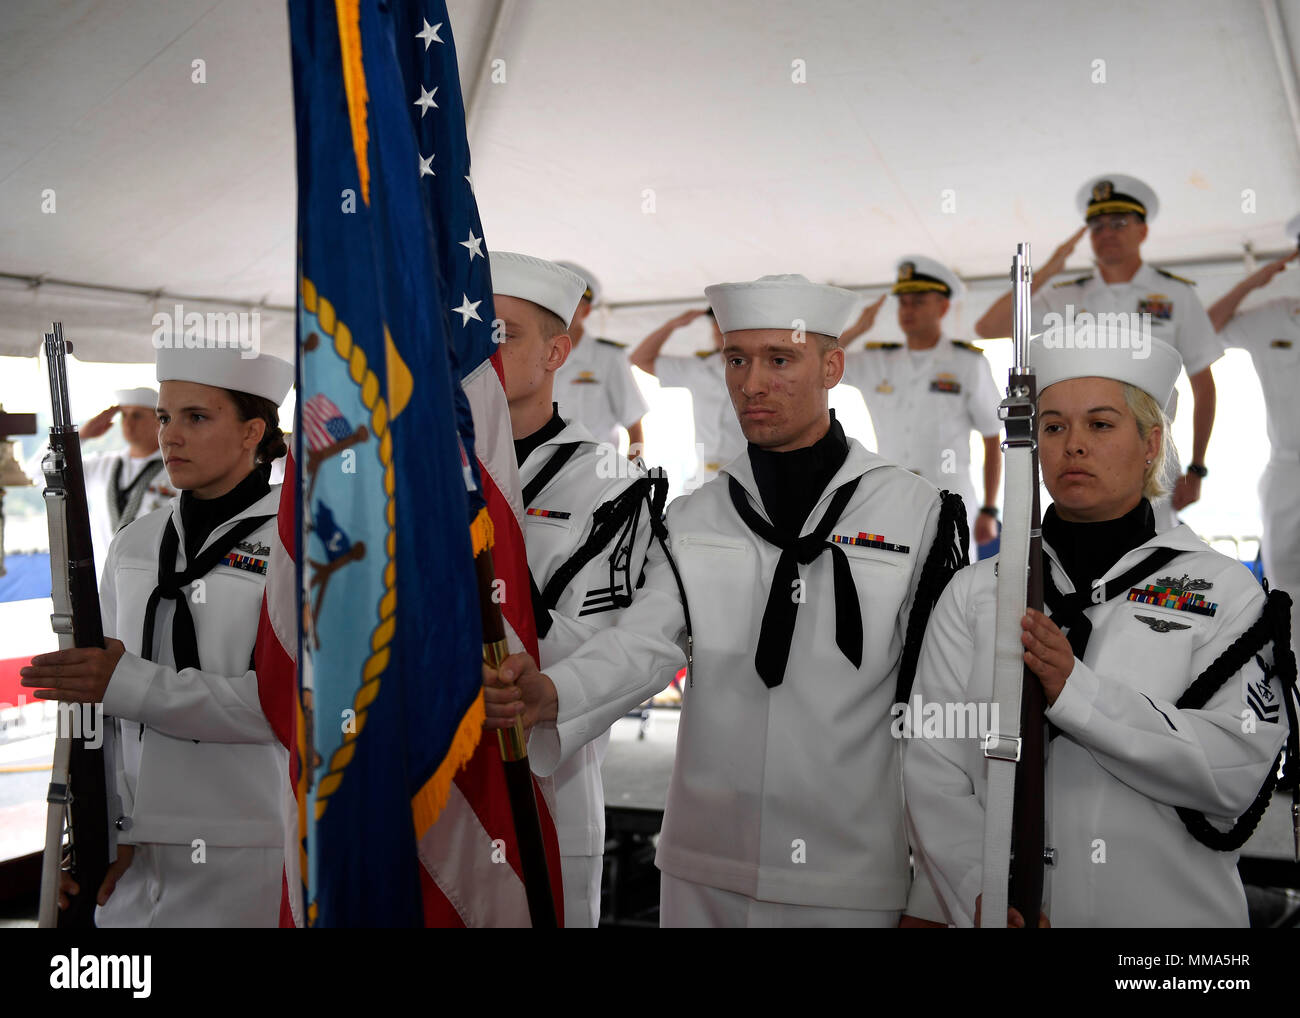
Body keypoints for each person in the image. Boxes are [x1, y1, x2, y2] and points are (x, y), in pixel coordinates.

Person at [484, 273, 969, 927]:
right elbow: (647, 643)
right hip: (703, 865)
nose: (751, 382)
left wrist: (937, 893)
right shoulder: (694, 516)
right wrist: (553, 693)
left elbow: (942, 711)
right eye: (736, 359)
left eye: (779, 359)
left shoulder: (918, 514)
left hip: (850, 871)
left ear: (832, 367)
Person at [903, 333, 1294, 927]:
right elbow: (935, 765)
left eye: (1101, 425)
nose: (1074, 446)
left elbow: (1237, 769)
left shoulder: (1221, 591)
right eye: (1054, 428)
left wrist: (1079, 696)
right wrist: (976, 891)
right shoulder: (979, 592)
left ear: (1151, 443)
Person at [23, 345, 294, 927]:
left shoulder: (299, 550)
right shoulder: (135, 543)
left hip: (253, 846)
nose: (171, 436)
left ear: (253, 431)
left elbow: (289, 706)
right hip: (132, 852)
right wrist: (92, 826)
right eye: (167, 417)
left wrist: (128, 684)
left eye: (197, 418)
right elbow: (101, 714)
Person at [492, 251, 660, 928]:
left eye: (504, 335)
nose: (481, 350)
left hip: (543, 786)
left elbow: (606, 634)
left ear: (558, 350)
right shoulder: (413, 474)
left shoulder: (610, 483)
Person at [974, 174, 1222, 529]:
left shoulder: (1176, 296)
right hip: (1079, 448)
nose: (1107, 233)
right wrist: (1048, 269)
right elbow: (988, 327)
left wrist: (1198, 466)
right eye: (1098, 225)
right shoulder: (1065, 296)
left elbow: (1204, 385)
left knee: (1151, 559)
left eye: (1119, 223)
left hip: (1152, 449)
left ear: (1143, 231)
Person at [837, 257, 1002, 552]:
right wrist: (860, 327)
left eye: (918, 302)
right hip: (890, 498)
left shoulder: (967, 364)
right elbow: (820, 365)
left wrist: (990, 509)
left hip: (949, 498)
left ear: (943, 306)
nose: (908, 311)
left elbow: (992, 436)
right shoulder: (878, 362)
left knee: (952, 587)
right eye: (903, 303)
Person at [1208, 214, 1300, 643]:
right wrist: (1250, 283)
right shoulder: (1274, 317)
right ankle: (1292, 690)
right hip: (1287, 469)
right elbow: (1201, 334)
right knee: (1286, 587)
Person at [28, 388, 174, 579]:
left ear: (159, 421)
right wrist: (80, 437)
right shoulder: (103, 464)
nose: (128, 423)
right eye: (124, 416)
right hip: (102, 581)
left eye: (137, 416)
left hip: (155, 579)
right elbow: (36, 472)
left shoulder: (174, 469)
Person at [630, 306, 746, 486]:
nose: (719, 332)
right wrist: (672, 325)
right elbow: (640, 359)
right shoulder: (699, 368)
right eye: (716, 326)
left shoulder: (762, 371)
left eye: (725, 327)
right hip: (705, 477)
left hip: (749, 476)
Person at [550, 261, 648, 458]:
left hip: (595, 473)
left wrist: (631, 477)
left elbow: (634, 426)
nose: (560, 309)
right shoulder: (532, 353)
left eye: (569, 304)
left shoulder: (609, 357)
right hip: (538, 474)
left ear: (585, 312)